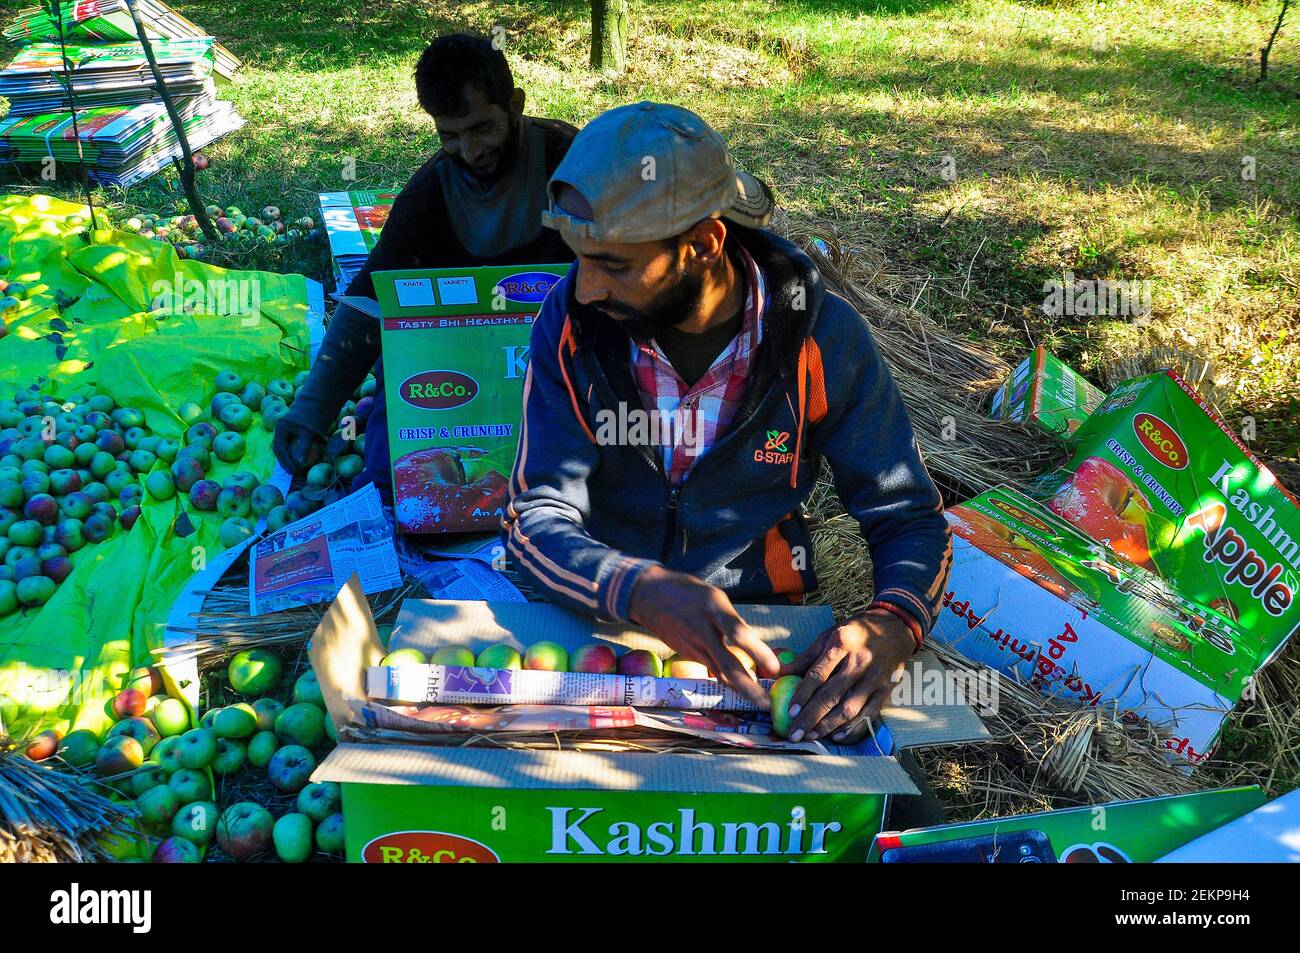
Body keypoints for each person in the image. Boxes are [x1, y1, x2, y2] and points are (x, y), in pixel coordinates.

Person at [504, 102, 952, 745]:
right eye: (580, 258)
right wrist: (635, 587)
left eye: (616, 265)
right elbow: (534, 517)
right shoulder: (574, 329)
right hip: (599, 621)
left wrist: (891, 625)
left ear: (705, 245)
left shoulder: (820, 340)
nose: (585, 289)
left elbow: (907, 515)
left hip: (762, 637)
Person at [273, 33, 578, 501]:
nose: (470, 151)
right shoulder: (429, 194)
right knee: (390, 472)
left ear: (515, 104)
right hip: (462, 359)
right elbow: (369, 301)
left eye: (482, 128)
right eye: (449, 135)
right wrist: (313, 410)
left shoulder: (569, 159)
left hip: (560, 350)